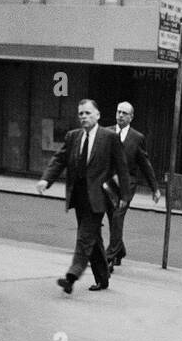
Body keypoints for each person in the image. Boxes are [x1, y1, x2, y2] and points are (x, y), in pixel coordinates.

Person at [37, 98, 129, 294]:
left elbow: (122, 167)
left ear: (97, 115)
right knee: (93, 238)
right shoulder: (73, 137)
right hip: (78, 197)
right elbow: (59, 159)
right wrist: (46, 179)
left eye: (88, 113)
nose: (84, 117)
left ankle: (71, 276)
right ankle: (103, 278)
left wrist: (124, 196)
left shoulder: (109, 137)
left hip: (98, 197)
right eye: (81, 114)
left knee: (84, 237)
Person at [105, 101, 161, 270]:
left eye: (124, 113)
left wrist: (155, 188)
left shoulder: (137, 138)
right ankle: (120, 251)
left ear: (131, 117)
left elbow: (145, 164)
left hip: (127, 183)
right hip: (108, 182)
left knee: (117, 216)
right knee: (111, 216)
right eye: (118, 112)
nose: (120, 115)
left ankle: (109, 258)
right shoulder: (106, 132)